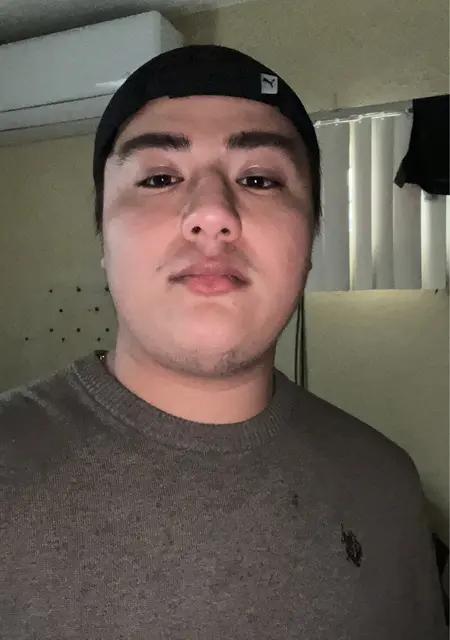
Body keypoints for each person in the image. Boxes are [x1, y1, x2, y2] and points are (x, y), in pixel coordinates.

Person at [0, 45, 446, 639]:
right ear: (103, 237)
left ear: (310, 239)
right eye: (159, 178)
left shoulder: (386, 485)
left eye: (259, 179)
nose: (212, 214)